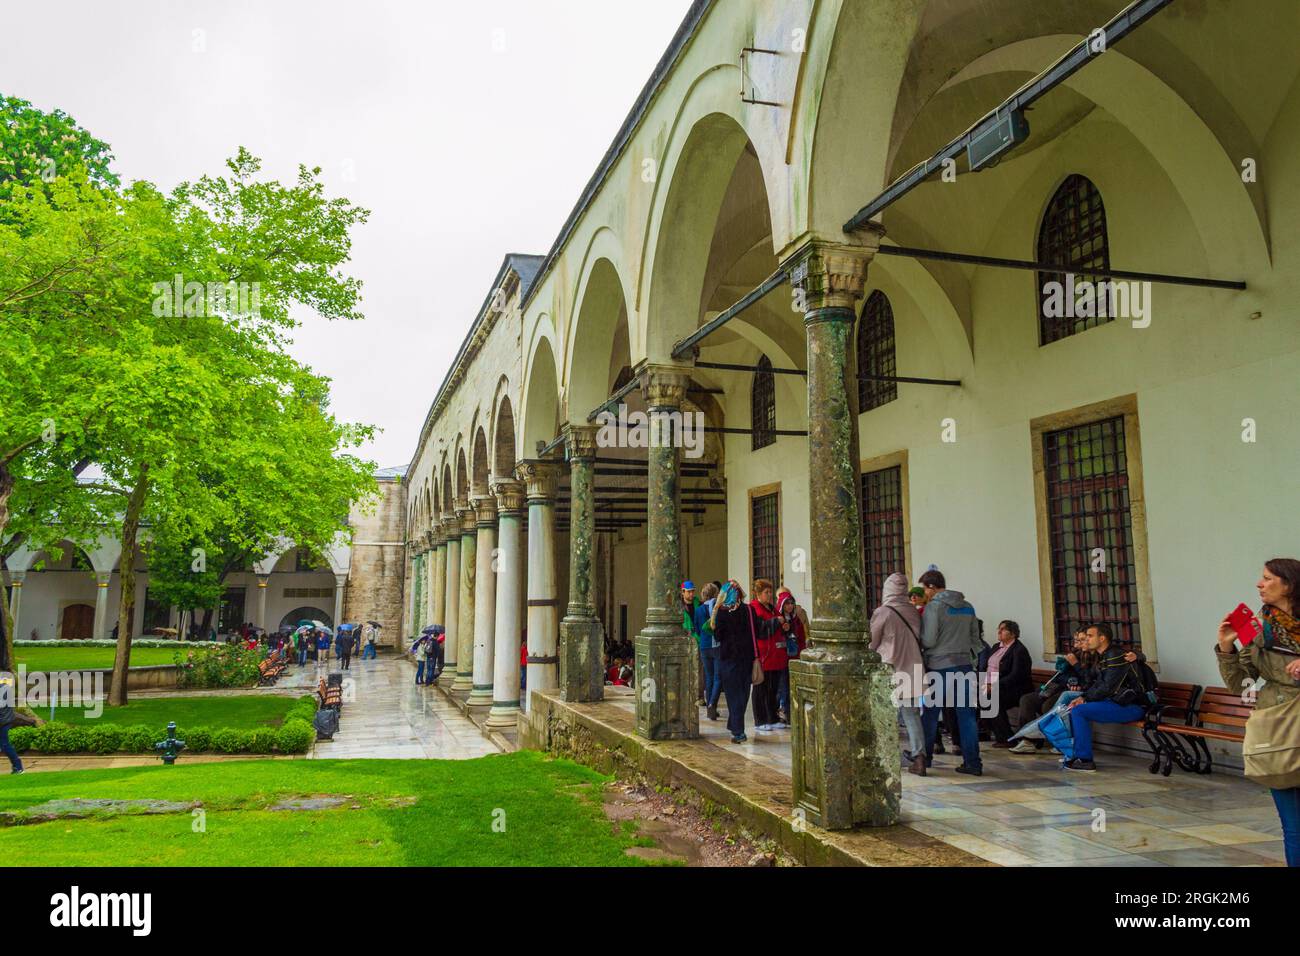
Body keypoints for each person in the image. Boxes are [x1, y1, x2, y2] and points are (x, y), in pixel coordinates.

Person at [1216, 558, 1300, 866]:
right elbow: (1241, 684)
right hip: (1281, 732)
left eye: (1267, 578)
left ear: (1289, 585)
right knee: (1294, 828)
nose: (1259, 584)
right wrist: (1227, 648)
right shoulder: (1257, 628)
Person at [917, 568, 984, 775]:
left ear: (931, 587)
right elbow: (976, 638)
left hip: (939, 666)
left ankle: (925, 759)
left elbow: (928, 640)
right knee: (967, 716)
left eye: (924, 590)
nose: (923, 595)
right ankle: (973, 762)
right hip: (965, 666)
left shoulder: (933, 608)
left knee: (930, 715)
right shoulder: (968, 606)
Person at [1062, 623, 1150, 772]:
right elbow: (1097, 683)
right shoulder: (1104, 655)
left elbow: (1108, 687)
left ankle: (1085, 760)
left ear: (1102, 638)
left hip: (1132, 706)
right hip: (1116, 703)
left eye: (1090, 636)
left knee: (1079, 711)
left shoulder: (1114, 655)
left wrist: (1084, 699)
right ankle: (1074, 754)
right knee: (1076, 708)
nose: (1087, 640)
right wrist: (1082, 697)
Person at [869, 572, 926, 775]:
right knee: (911, 715)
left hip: (890, 669)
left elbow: (872, 642)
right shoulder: (912, 611)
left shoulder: (882, 612)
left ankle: (888, 755)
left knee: (886, 713)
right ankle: (919, 757)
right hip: (913, 668)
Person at [1010, 626, 1091, 754]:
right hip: (1057, 686)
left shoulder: (1091, 657)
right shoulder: (1075, 653)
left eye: (1081, 641)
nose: (1077, 644)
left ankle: (1057, 739)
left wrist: (1075, 664)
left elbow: (1088, 679)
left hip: (1071, 691)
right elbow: (1062, 675)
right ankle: (1028, 740)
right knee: (1027, 700)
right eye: (1076, 641)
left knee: (1048, 706)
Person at [711, 581, 754, 744]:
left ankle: (734, 724)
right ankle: (738, 731)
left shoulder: (747, 610)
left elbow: (755, 629)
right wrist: (715, 619)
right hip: (728, 659)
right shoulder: (720, 613)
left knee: (743, 695)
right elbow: (718, 636)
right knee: (734, 696)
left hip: (745, 658)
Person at [985, 620, 1033, 747]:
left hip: (1013, 689)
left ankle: (1007, 738)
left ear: (1012, 634)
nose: (999, 632)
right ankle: (989, 732)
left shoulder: (1019, 650)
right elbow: (987, 667)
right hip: (992, 685)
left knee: (992, 699)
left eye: (1003, 629)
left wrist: (994, 685)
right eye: (999, 629)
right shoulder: (996, 646)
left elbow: (1016, 675)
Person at [748, 579, 788, 731]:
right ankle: (760, 720)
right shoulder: (754, 608)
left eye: (771, 592)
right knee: (761, 688)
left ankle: (772, 717)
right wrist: (776, 622)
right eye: (766, 592)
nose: (770, 595)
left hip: (776, 655)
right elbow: (760, 630)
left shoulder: (772, 608)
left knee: (773, 689)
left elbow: (779, 624)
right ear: (758, 594)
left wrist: (784, 625)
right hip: (763, 655)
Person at [775, 588, 808, 722]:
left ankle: (787, 711)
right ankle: (782, 710)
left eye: (791, 603)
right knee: (782, 685)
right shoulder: (778, 619)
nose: (790, 606)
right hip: (782, 658)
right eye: (787, 603)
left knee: (790, 685)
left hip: (794, 656)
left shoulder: (796, 619)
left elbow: (801, 636)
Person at [694, 583, 723, 720]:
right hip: (716, 645)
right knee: (718, 677)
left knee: (709, 677)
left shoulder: (698, 610)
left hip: (704, 646)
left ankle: (710, 707)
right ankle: (712, 704)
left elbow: (697, 629)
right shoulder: (718, 609)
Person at [680, 581, 703, 705]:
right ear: (682, 592)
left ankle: (698, 696)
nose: (691, 594)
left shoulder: (698, 604)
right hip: (685, 640)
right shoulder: (678, 606)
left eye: (693, 591)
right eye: (689, 591)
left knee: (699, 669)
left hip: (698, 640)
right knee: (685, 668)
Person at [0, 666, 22, 775]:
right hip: (5, 720)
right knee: (4, 744)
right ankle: (17, 767)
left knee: (5, 745)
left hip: (3, 721)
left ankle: (18, 767)